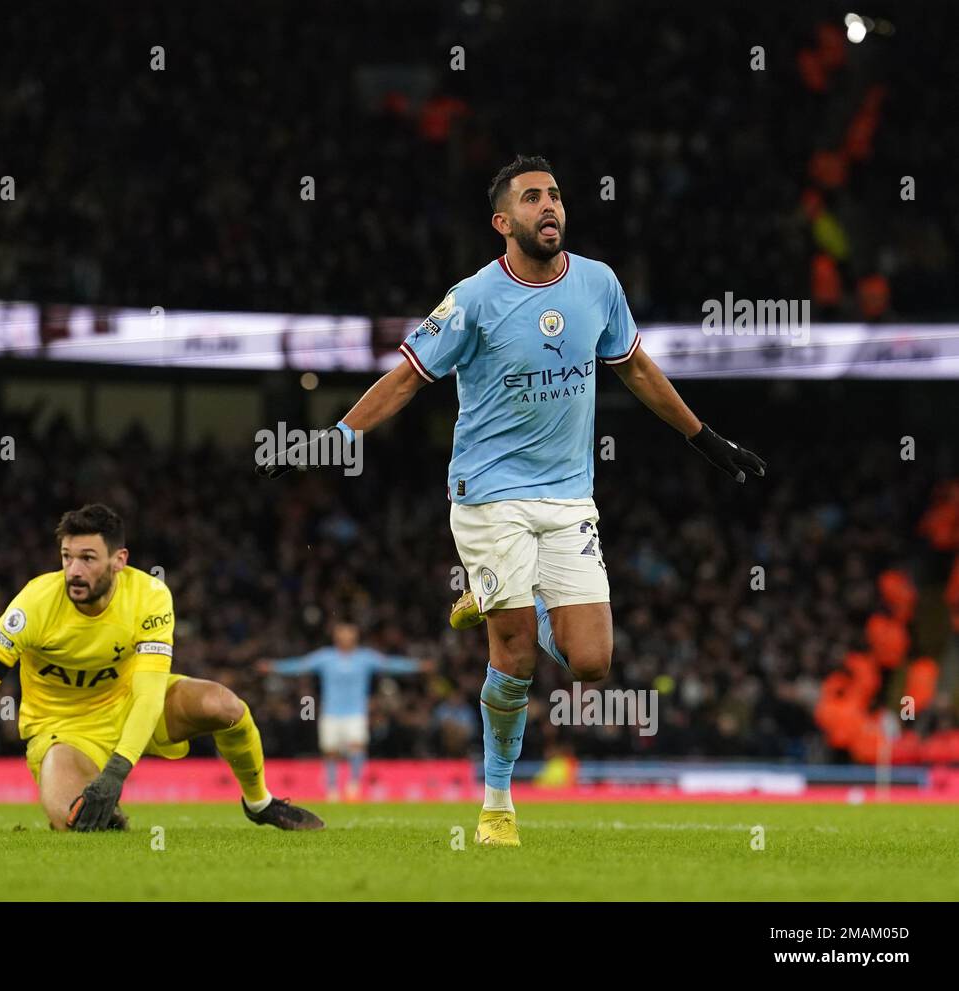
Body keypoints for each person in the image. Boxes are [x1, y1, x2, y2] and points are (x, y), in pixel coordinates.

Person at [258, 154, 765, 845]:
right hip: (488, 493)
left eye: (555, 195)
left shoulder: (598, 283)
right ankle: (497, 802)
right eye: (532, 198)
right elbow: (407, 379)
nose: (549, 206)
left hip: (569, 497)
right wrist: (334, 437)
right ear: (503, 222)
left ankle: (499, 598)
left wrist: (705, 438)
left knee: (592, 663)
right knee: (517, 654)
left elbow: (638, 369)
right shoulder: (471, 298)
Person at [0, 503, 323, 832]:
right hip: (63, 732)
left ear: (118, 560)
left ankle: (260, 804)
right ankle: (107, 815)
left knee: (224, 706)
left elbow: (149, 695)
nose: (73, 570)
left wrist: (115, 775)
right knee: (73, 821)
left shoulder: (149, 597)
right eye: (66, 557)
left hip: (132, 705)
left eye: (87, 558)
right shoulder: (34, 604)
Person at [259, 622, 430, 800]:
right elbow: (301, 665)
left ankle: (353, 786)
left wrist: (417, 666)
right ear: (336, 637)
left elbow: (391, 664)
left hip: (355, 713)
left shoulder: (365, 658)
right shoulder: (326, 657)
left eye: (349, 634)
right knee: (331, 752)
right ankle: (332, 790)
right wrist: (274, 667)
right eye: (342, 634)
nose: (345, 637)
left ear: (355, 637)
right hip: (331, 713)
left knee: (357, 747)